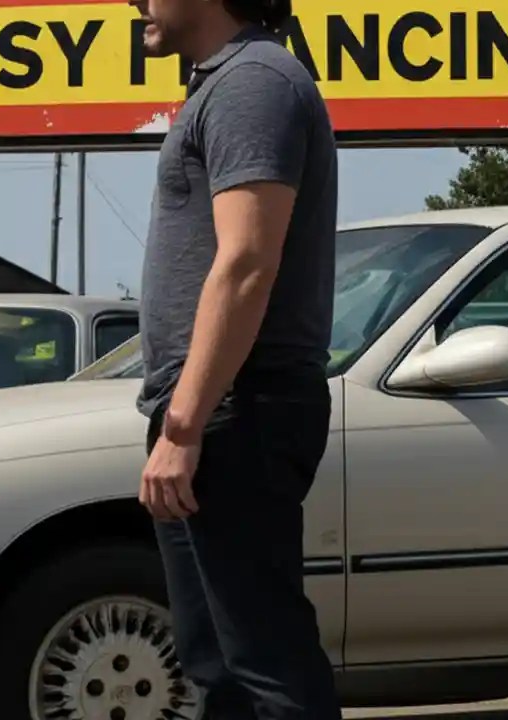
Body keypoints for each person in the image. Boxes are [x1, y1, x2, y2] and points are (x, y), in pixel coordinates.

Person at [129, 0, 340, 717]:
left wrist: (184, 426)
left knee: (262, 664)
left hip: (237, 407)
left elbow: (247, 261)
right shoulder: (223, 84)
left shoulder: (256, 83)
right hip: (213, 406)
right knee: (218, 664)